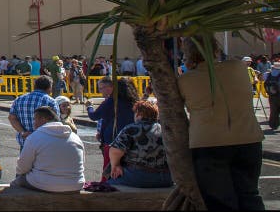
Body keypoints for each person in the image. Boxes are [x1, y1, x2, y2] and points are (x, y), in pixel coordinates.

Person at [179, 37, 264, 210]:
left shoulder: (185, 80)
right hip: (248, 139)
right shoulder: (238, 68)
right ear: (215, 49)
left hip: (209, 143)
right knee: (249, 195)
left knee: (220, 202)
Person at [13, 106, 85, 192]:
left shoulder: (34, 137)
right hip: (76, 184)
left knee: (16, 181)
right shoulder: (75, 137)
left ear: (42, 119)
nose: (34, 123)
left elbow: (22, 167)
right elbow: (82, 163)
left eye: (35, 119)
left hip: (45, 184)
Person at [107, 100, 172, 188]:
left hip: (138, 176)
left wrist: (116, 165)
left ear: (138, 114)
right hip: (165, 178)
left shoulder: (132, 129)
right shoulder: (165, 130)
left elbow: (115, 151)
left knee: (109, 183)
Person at [85, 76, 137, 174]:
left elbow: (94, 116)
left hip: (113, 139)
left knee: (110, 167)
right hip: (131, 137)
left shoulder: (112, 101)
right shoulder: (134, 101)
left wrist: (89, 107)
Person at [8, 75, 61, 150]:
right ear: (49, 87)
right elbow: (56, 123)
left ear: (34, 86)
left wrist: (23, 132)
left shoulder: (20, 99)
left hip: (25, 141)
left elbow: (12, 118)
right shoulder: (50, 101)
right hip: (44, 143)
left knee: (25, 161)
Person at [263, 61, 280, 130]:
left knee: (273, 110)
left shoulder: (267, 74)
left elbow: (263, 79)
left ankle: (273, 125)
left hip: (272, 95)